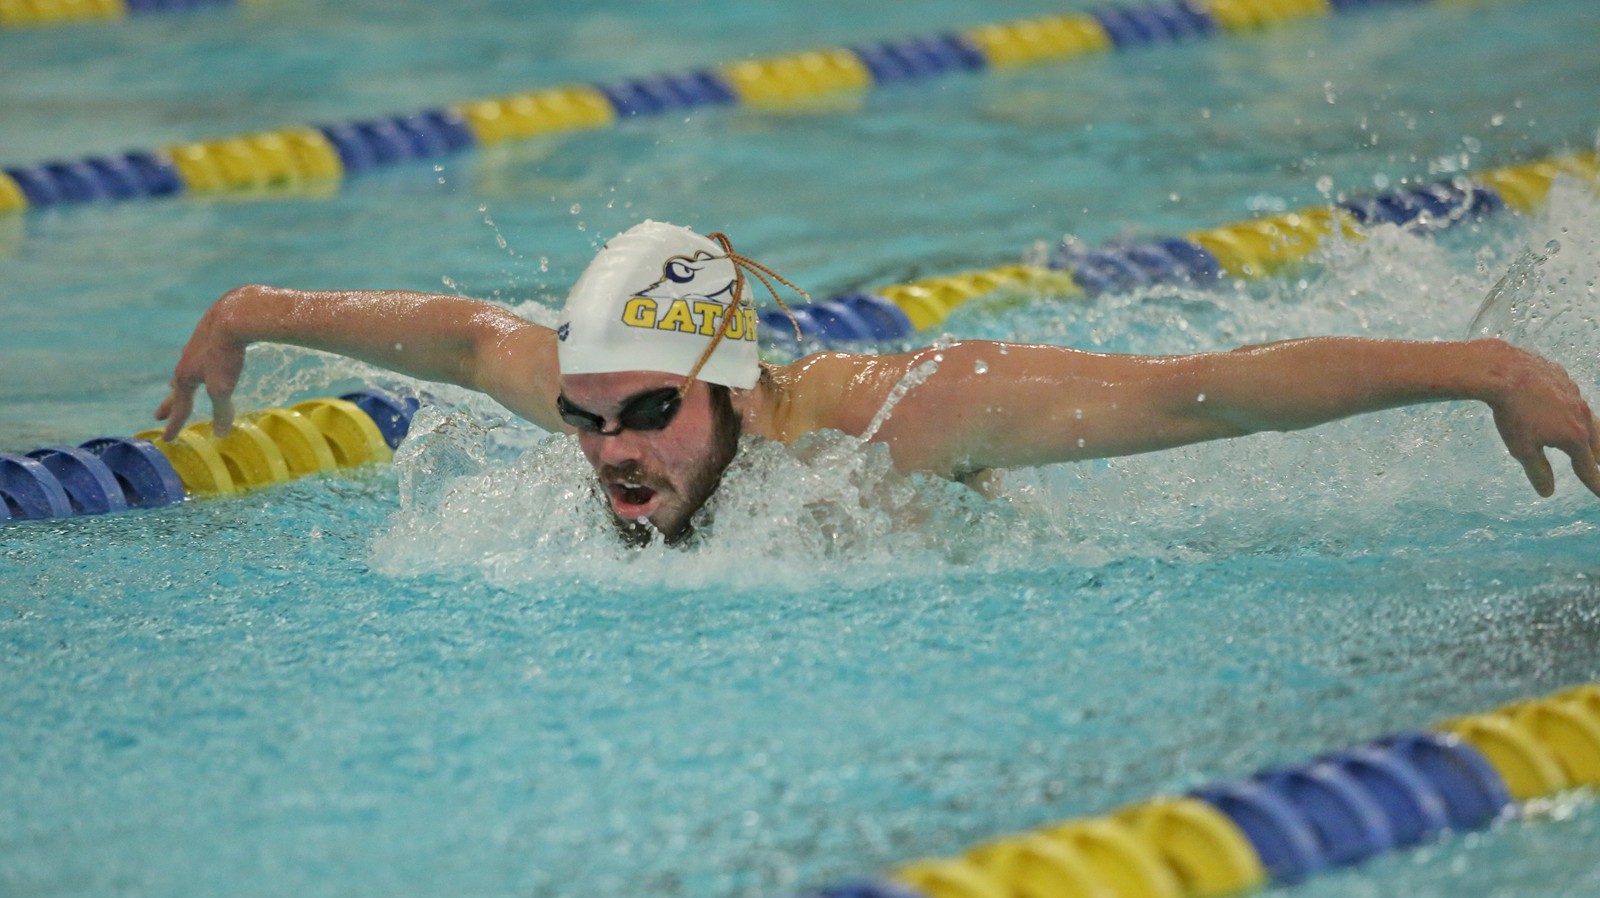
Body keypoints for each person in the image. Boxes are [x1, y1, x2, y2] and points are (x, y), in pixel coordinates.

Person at [159, 220, 1600, 544]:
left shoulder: (904, 417)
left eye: (648, 417)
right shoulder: (612, 394)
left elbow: (1196, 395)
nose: (606, 453)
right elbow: (468, 338)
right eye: (588, 419)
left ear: (735, 386)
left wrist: (1479, 370)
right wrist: (248, 310)